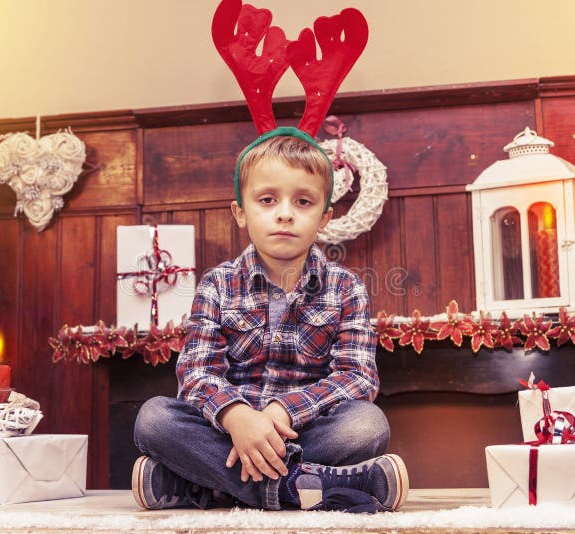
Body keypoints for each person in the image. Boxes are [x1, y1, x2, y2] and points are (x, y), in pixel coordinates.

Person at [132, 127, 408, 513]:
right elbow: (196, 375)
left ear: (324, 217)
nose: (284, 213)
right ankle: (303, 486)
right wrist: (238, 417)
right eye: (267, 199)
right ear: (241, 212)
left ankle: (205, 486)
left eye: (303, 202)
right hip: (227, 431)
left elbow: (357, 378)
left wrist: (283, 412)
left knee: (366, 426)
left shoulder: (346, 288)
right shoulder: (218, 284)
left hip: (304, 429)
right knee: (154, 419)